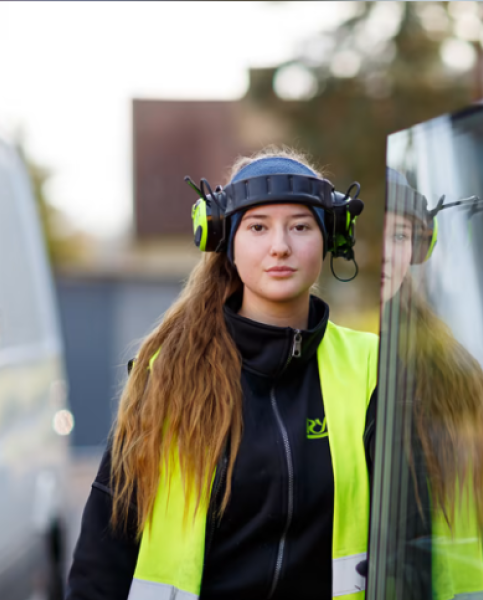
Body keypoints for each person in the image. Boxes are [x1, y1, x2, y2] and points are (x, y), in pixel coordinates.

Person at [67, 149, 378, 600]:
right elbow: (105, 551)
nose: (280, 246)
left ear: (331, 237)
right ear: (224, 242)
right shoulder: (170, 378)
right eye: (257, 227)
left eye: (300, 226)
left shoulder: (371, 368)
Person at [366, 169, 483, 600]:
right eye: (372, 233)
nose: (386, 254)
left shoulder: (451, 370)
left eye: (400, 236)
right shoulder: (305, 359)